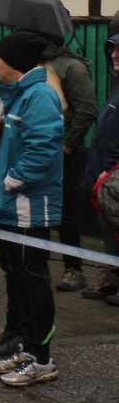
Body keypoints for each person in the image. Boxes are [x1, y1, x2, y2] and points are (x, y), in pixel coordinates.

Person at [0, 32, 65, 386]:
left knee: (33, 281)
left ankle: (41, 359)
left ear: (14, 61)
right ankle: (28, 348)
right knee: (19, 277)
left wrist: (13, 180)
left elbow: (43, 148)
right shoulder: (20, 95)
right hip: (11, 206)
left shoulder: (40, 95)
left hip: (29, 206)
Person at [34, 33, 99, 294]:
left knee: (65, 212)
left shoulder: (72, 67)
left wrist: (68, 145)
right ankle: (37, 265)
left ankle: (74, 268)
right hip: (37, 148)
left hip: (62, 152)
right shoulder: (33, 65)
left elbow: (87, 109)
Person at [83, 33, 119, 305]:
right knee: (108, 231)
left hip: (112, 176)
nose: (114, 55)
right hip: (104, 177)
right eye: (113, 50)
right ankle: (111, 279)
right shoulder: (116, 88)